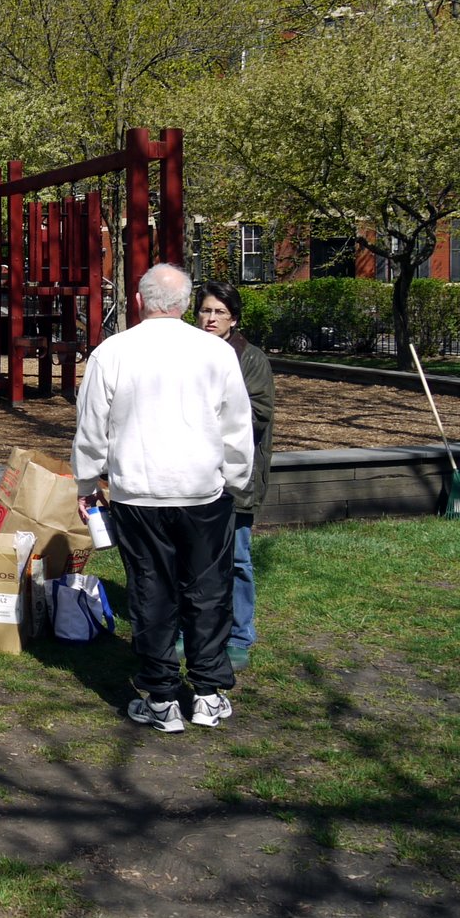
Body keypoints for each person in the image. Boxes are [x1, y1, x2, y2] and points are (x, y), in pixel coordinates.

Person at [72, 264, 253, 734]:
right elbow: (236, 424)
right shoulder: (214, 353)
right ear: (186, 304)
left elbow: (91, 428)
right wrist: (237, 477)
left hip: (140, 492)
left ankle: (162, 697)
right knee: (207, 590)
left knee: (151, 591)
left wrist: (87, 484)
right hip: (202, 491)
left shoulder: (112, 352)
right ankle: (208, 693)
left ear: (138, 301)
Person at [196, 280, 274, 672]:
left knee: (238, 558)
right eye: (205, 311)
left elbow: (259, 414)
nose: (210, 319)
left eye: (219, 313)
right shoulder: (188, 354)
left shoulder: (251, 359)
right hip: (193, 475)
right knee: (194, 559)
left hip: (236, 474)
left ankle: (240, 635)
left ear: (234, 319)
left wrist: (209, 415)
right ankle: (190, 629)